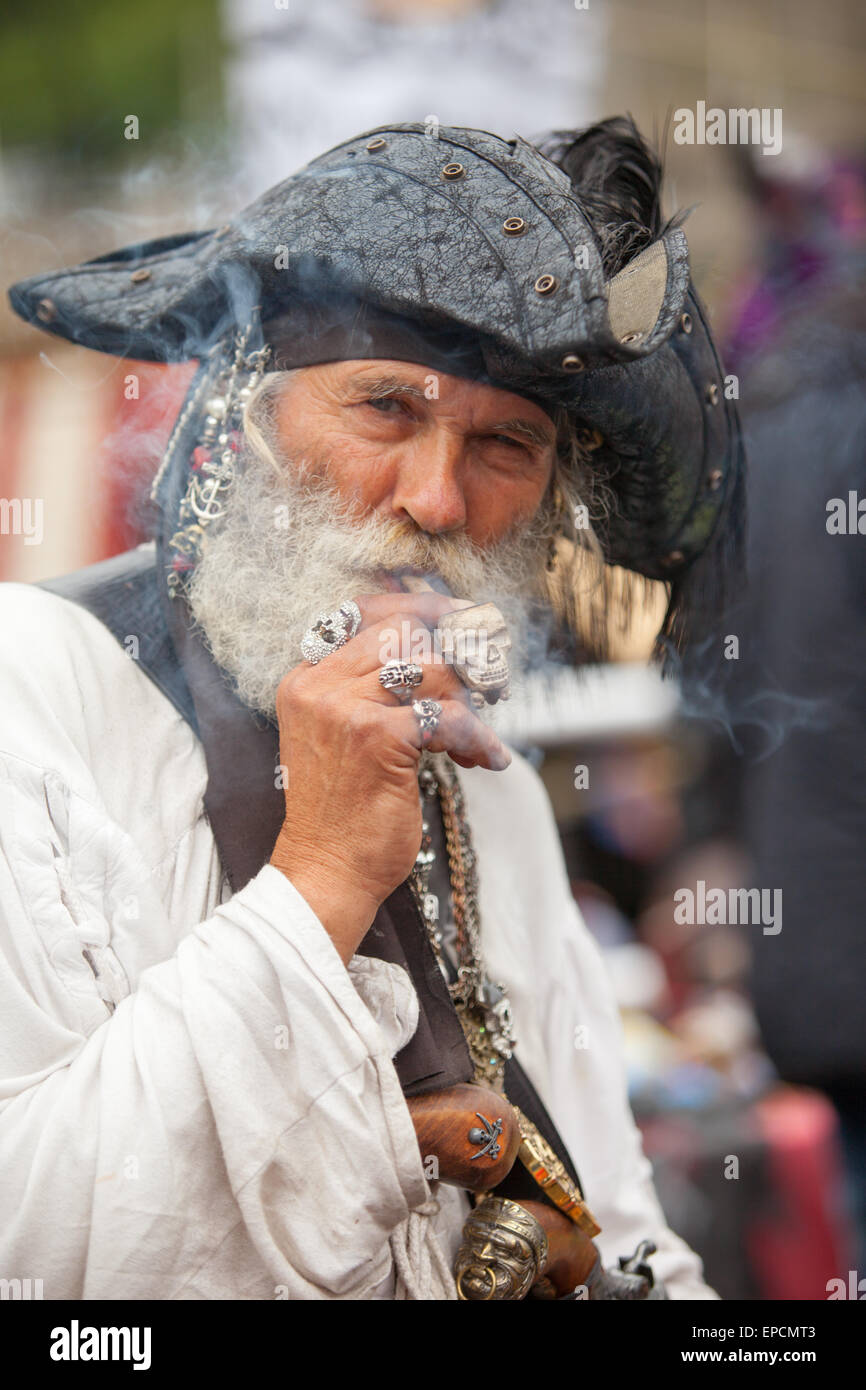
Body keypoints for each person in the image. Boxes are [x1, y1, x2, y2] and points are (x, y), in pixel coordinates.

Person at [0, 119, 741, 1300]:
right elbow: (38, 1250)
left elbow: (620, 1220)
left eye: (505, 443)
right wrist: (327, 871)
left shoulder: (472, 762)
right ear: (252, 417)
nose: (437, 499)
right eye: (386, 407)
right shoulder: (31, 684)